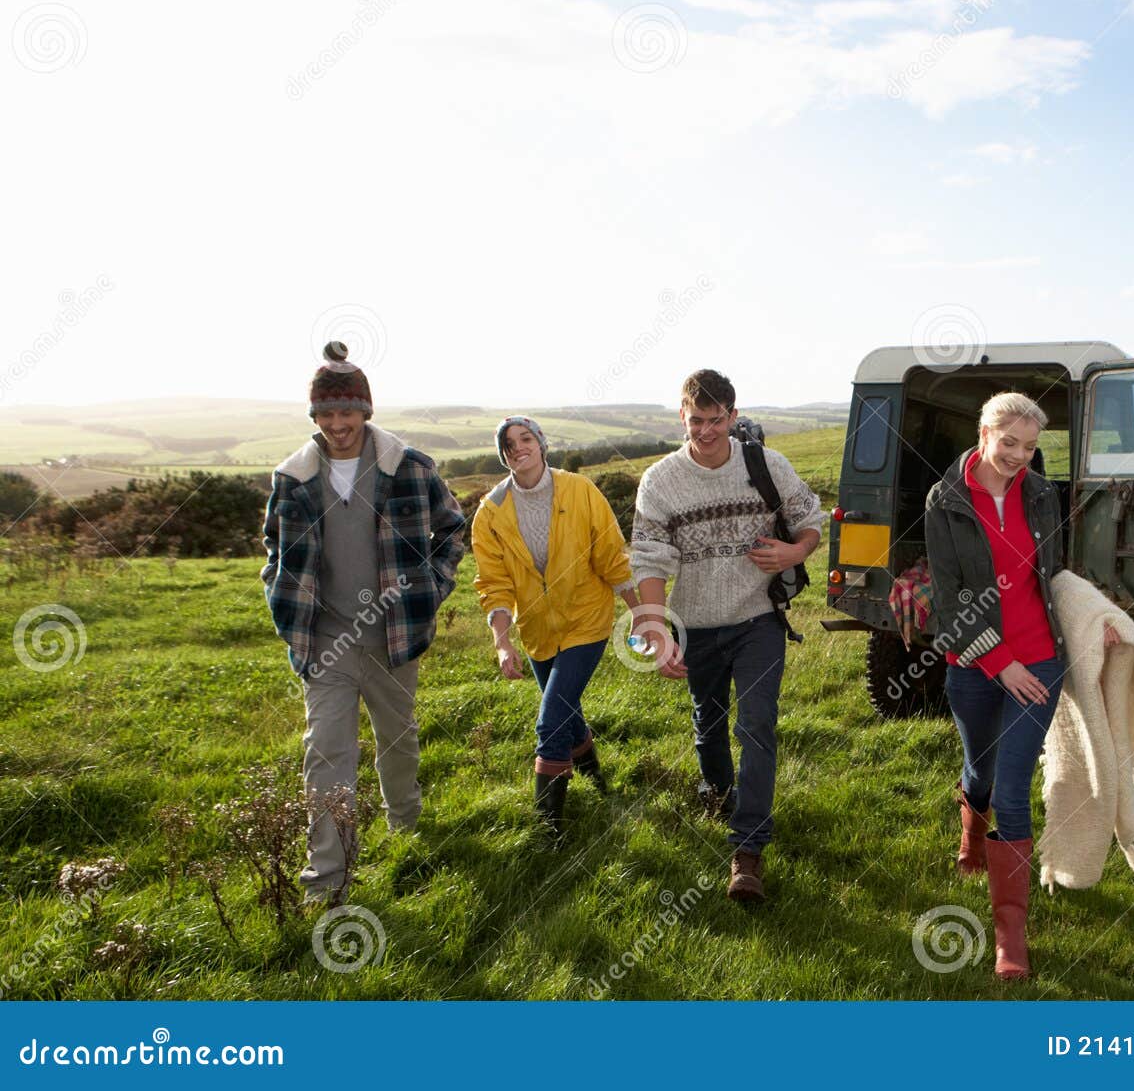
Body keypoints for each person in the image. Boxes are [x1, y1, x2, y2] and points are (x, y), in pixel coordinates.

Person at [922, 391, 1120, 979]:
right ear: (984, 434)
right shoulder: (945, 500)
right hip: (976, 662)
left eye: (1030, 447)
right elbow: (950, 594)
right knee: (979, 770)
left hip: (1039, 660)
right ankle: (971, 833)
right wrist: (997, 660)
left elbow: (1057, 570)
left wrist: (1096, 617)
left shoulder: (1039, 492)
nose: (1018, 456)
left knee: (1011, 786)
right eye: (1008, 443)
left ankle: (1011, 931)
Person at [261, 341, 466, 903]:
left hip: (392, 636)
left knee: (396, 741)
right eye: (325, 415)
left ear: (365, 411)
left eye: (346, 412)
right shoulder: (293, 478)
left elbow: (452, 531)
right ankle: (327, 878)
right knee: (326, 752)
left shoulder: (410, 468)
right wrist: (282, 601)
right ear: (314, 417)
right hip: (324, 639)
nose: (336, 423)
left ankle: (405, 825)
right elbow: (274, 551)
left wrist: (433, 587)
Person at [630, 369, 823, 903]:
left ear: (733, 417)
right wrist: (654, 626)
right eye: (697, 421)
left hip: (758, 619)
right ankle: (718, 792)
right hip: (694, 625)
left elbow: (811, 518)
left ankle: (749, 849)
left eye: (717, 421)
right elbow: (648, 558)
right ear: (682, 416)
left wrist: (793, 553)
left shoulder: (764, 464)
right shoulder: (661, 480)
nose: (707, 432)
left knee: (757, 726)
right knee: (708, 726)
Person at [471, 415, 641, 843]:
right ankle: (600, 784)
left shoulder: (579, 490)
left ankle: (548, 836)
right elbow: (494, 585)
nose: (517, 448)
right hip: (537, 631)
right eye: (508, 445)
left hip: (587, 619)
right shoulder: (490, 513)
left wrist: (642, 613)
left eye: (525, 438)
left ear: (542, 443)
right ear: (503, 455)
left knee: (550, 723)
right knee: (568, 714)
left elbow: (611, 556)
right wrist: (502, 642)